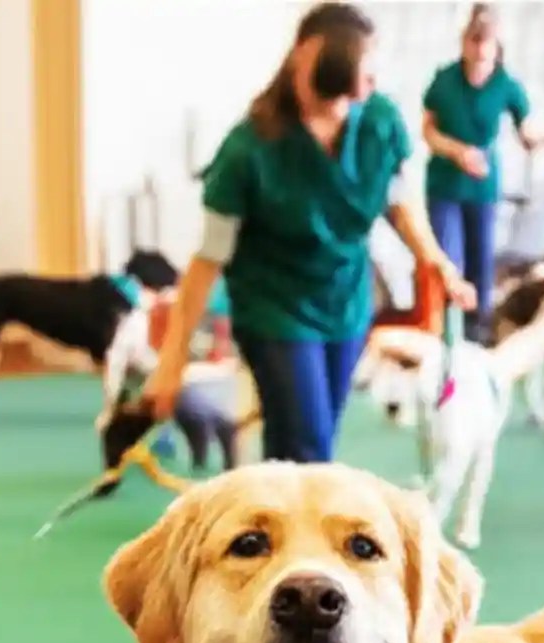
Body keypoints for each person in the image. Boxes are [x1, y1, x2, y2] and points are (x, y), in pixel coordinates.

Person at [143, 1, 476, 463]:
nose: (347, 103)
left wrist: (434, 260)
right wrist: (172, 360)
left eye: (358, 87)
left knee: (302, 447)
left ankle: (267, 526)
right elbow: (208, 260)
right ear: (302, 59)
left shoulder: (379, 122)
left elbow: (399, 205)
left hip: (346, 304)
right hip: (275, 309)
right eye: (333, 90)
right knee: (308, 445)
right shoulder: (248, 150)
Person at [422, 3, 544, 342]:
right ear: (465, 43)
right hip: (445, 184)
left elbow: (526, 130)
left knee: (481, 261)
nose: (480, 52)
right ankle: (443, 331)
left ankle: (476, 333)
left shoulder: (507, 86)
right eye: (475, 43)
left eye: (487, 46)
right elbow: (428, 131)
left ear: (497, 49)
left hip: (482, 187)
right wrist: (457, 151)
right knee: (447, 259)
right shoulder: (444, 80)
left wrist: (542, 138)